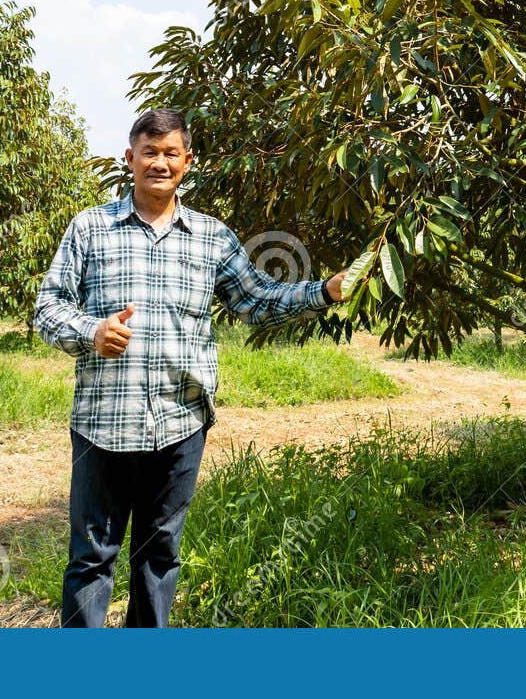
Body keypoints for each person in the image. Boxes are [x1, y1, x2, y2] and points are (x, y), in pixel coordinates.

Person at [32, 108, 346, 627]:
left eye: (170, 153)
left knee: (158, 559)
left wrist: (324, 291)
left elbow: (258, 299)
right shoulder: (90, 229)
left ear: (187, 162)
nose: (160, 162)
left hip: (180, 424)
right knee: (92, 559)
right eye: (149, 152)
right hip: (103, 424)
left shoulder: (211, 237)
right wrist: (92, 330)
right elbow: (48, 306)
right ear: (129, 159)